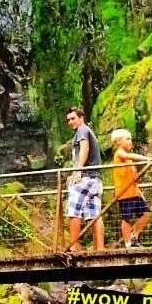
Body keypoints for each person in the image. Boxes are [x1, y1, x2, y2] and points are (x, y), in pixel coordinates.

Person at [65, 107, 104, 251]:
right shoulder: (87, 131)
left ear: (81, 118)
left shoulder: (82, 130)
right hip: (96, 179)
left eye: (73, 118)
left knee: (73, 210)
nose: (70, 122)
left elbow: (84, 149)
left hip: (86, 177)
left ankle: (74, 248)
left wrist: (77, 171)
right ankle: (100, 249)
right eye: (68, 120)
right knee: (95, 215)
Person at [111, 129, 151, 249]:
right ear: (118, 142)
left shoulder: (129, 160)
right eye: (127, 139)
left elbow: (134, 178)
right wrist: (147, 159)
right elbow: (130, 155)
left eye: (130, 139)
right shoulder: (120, 154)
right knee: (127, 218)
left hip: (134, 192)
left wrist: (139, 192)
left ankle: (134, 236)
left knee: (146, 213)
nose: (130, 141)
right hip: (124, 193)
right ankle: (128, 244)